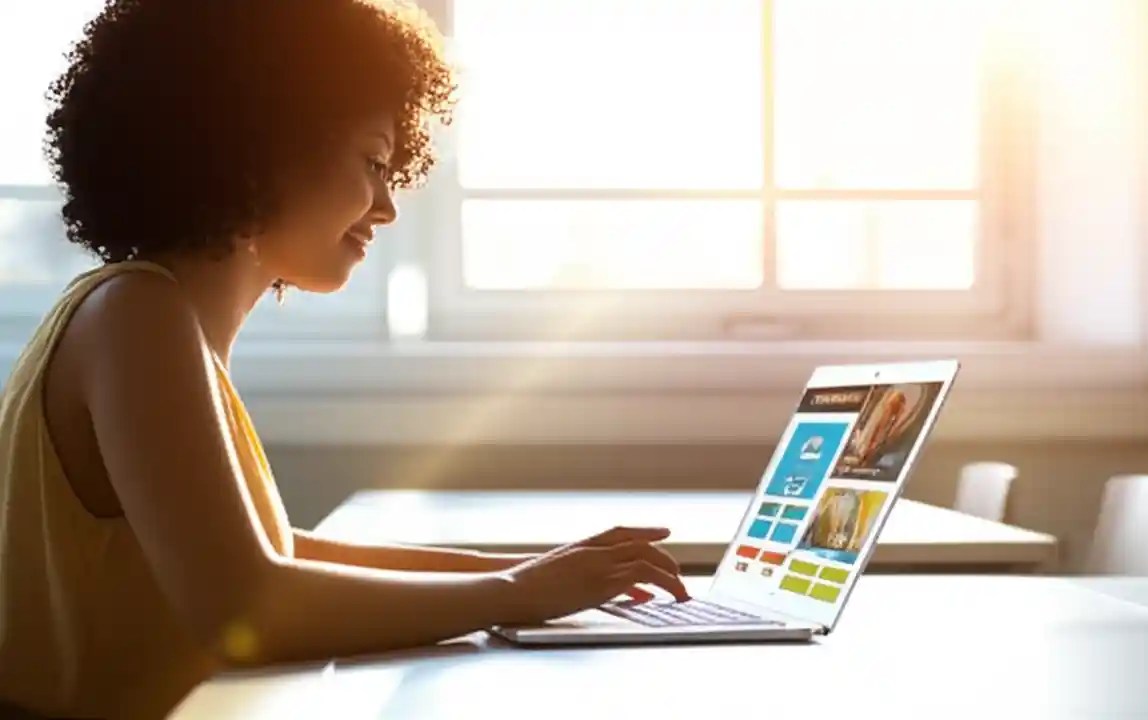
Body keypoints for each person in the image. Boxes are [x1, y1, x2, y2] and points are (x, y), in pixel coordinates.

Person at [0, 1, 688, 718]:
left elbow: (267, 554)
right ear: (257, 146)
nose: (387, 206)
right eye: (372, 162)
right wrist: (516, 594)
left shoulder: (148, 316)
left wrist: (524, 574)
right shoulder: (138, 318)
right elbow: (250, 606)